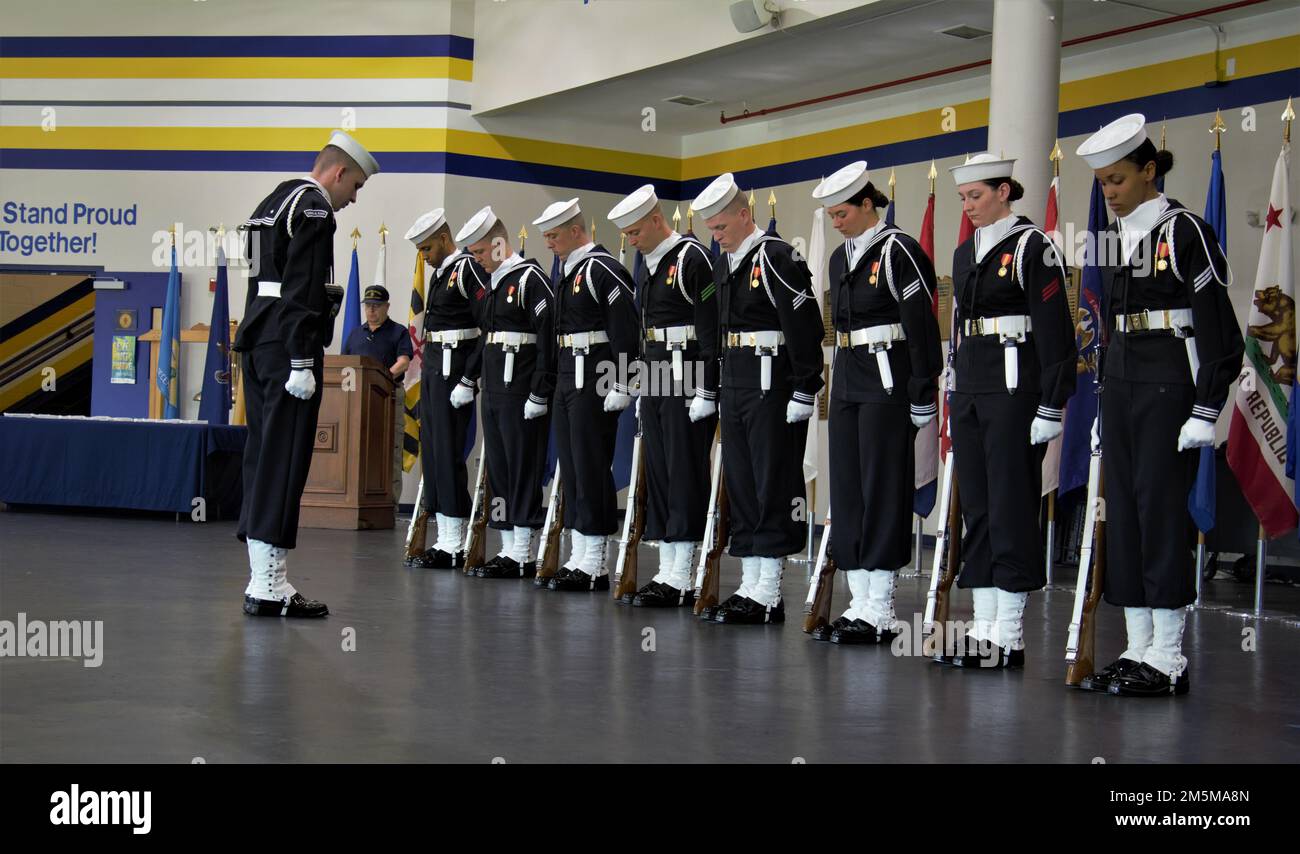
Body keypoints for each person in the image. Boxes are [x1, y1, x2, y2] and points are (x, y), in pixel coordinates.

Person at [1075, 114, 1243, 697]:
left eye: (1118, 180)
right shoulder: (1113, 239)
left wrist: (1207, 406)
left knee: (1161, 512)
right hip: (1120, 383)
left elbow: (1220, 325)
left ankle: (1169, 656)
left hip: (1170, 382)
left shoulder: (1185, 231)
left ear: (1149, 171)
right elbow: (1110, 327)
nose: (1110, 193)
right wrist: (1101, 403)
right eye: (1102, 183)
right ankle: (1136, 646)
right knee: (1123, 512)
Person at [233, 130, 378, 617]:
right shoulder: (314, 207)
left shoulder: (270, 202)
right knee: (287, 459)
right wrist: (300, 360)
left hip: (256, 338)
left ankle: (264, 578)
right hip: (287, 347)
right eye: (355, 185)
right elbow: (300, 288)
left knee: (263, 456)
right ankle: (269, 585)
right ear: (337, 173)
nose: (353, 198)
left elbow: (260, 276)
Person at [945, 152, 1077, 667]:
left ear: (1004, 191)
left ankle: (1010, 631)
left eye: (975, 196)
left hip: (1015, 385)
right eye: (963, 198)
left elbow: (1054, 330)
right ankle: (982, 622)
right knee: (976, 504)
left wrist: (1051, 402)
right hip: (973, 384)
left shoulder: (1033, 246)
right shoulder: (964, 253)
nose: (969, 206)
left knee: (1009, 502)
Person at [810, 161, 943, 644]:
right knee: (847, 487)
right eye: (830, 215)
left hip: (888, 378)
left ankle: (881, 605)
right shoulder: (840, 258)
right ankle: (857, 600)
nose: (836, 222)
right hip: (847, 376)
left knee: (881, 486)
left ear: (868, 204)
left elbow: (921, 326)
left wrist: (922, 389)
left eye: (842, 212)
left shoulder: (898, 250)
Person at [693, 173, 825, 624]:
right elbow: (710, 327)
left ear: (745, 214)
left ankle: (769, 590)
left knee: (773, 480)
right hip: (736, 380)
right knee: (743, 481)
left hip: (774, 383)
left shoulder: (777, 256)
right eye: (711, 229)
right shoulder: (721, 264)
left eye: (722, 227)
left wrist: (806, 385)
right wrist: (710, 386)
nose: (717, 235)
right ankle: (750, 583)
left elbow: (805, 325)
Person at [607, 184, 719, 607]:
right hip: (656, 371)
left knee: (684, 468)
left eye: (636, 232)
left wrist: (707, 387)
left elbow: (710, 328)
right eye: (627, 236)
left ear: (657, 220)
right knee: (659, 470)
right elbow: (641, 331)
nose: (631, 241)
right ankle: (668, 567)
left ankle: (684, 572)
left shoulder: (693, 258)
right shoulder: (648, 264)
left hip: (687, 370)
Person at [534, 199, 639, 592]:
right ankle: (579, 553)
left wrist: (626, 381)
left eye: (554, 235)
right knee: (573, 465)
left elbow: (625, 329)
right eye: (545, 236)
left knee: (592, 464)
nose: (549, 243)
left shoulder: (602, 268)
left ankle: (594, 560)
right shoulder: (569, 270)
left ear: (576, 230)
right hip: (567, 373)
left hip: (595, 374)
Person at [456, 206, 555, 578]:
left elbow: (547, 337)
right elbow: (488, 338)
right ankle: (507, 545)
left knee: (521, 466)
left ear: (498, 244)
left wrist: (540, 390)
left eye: (480, 252)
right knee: (497, 467)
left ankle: (525, 550)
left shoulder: (530, 279)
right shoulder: (493, 284)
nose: (477, 260)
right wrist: (471, 380)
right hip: (496, 387)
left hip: (521, 388)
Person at [404, 209, 483, 569]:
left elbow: (487, 326)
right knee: (434, 451)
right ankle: (444, 533)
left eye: (427, 247)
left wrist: (469, 378)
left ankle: (454, 541)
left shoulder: (466, 268)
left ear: (444, 238)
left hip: (455, 370)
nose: (424, 255)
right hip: (436, 366)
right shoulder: (440, 274)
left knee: (449, 451)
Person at [341, 282, 413, 507]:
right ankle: (356, 502)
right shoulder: (355, 334)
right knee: (356, 449)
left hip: (389, 398)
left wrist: (380, 380)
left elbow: (404, 362)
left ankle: (388, 505)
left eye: (377, 305)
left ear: (387, 306)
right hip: (358, 401)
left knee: (390, 450)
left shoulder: (398, 331)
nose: (371, 310)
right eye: (368, 305)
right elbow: (345, 366)